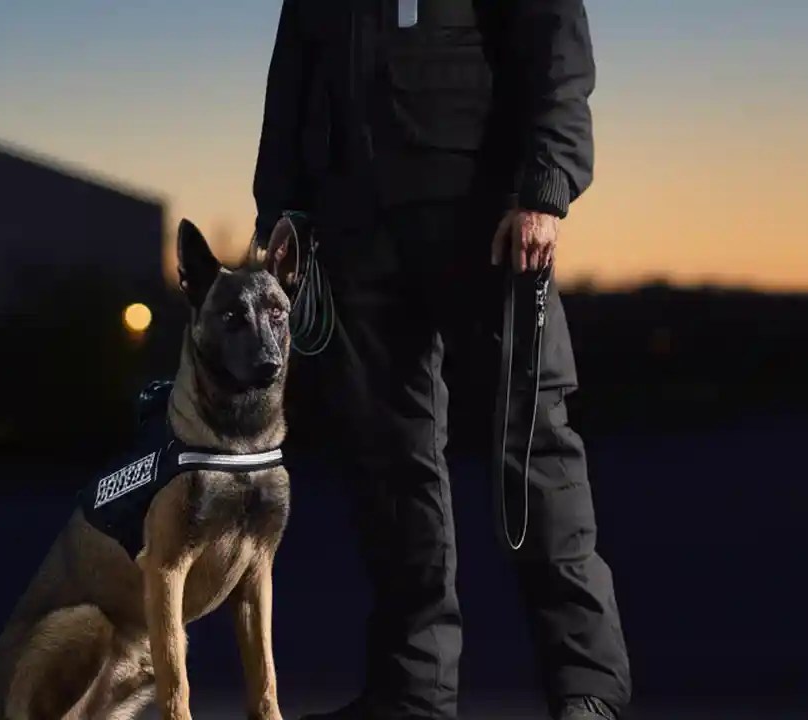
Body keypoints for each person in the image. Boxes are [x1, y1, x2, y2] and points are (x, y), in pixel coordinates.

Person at [249, 2, 632, 719]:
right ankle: (412, 693)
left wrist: (545, 187)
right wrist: (281, 209)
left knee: (534, 445)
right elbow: (292, 76)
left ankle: (589, 689)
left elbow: (556, 46)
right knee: (388, 463)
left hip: (483, 215)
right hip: (353, 224)